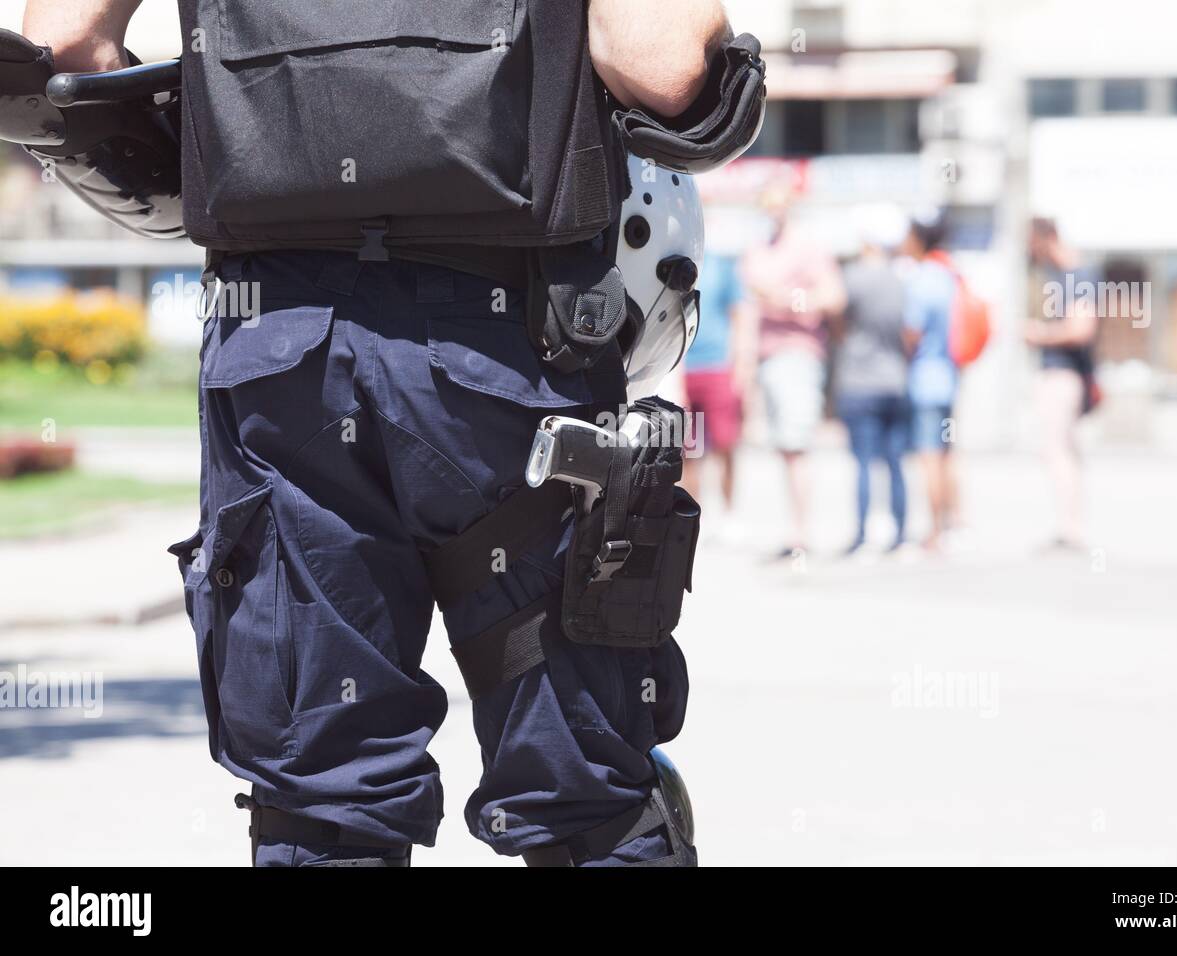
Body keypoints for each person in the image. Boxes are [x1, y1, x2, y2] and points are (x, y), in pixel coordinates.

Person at [22, 0, 735, 867]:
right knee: (589, 796)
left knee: (324, 803)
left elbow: (61, 48)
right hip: (510, 346)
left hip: (279, 349)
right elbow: (658, 65)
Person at [740, 188, 846, 560]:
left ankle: (801, 534)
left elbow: (833, 299)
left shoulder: (809, 247)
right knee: (784, 447)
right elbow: (753, 301)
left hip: (797, 354)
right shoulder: (759, 248)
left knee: (797, 444)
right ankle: (794, 530)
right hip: (770, 356)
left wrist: (786, 301)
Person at [832, 207, 910, 555]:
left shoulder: (852, 277)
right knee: (895, 462)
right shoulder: (902, 278)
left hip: (859, 381)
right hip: (895, 380)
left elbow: (837, 323)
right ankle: (900, 535)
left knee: (863, 462)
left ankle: (862, 535)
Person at [1024, 218, 1098, 551]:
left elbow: (1081, 329)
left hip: (1062, 376)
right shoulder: (1063, 277)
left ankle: (1070, 530)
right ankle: (1069, 526)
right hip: (1063, 376)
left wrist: (1040, 334)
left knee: (1058, 452)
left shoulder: (1075, 277)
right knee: (1062, 451)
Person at [899, 212, 959, 552]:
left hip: (924, 380)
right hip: (948, 376)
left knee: (930, 458)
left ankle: (935, 531)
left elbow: (912, 333)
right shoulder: (947, 276)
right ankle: (951, 524)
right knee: (947, 455)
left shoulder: (921, 280)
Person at [682, 251, 745, 533]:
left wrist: (742, 369)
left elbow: (739, 316)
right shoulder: (675, 261)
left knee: (725, 444)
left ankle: (730, 513)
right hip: (683, 366)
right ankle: (695, 515)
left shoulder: (721, 264)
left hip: (718, 365)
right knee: (688, 449)